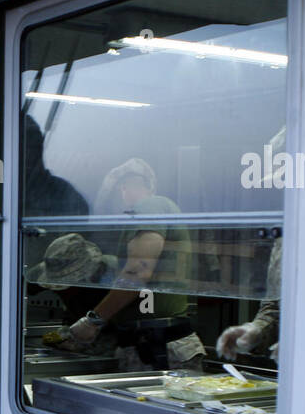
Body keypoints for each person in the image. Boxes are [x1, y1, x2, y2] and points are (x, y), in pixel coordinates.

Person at [63, 158, 206, 372]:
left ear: (127, 187)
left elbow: (137, 272)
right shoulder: (148, 215)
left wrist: (92, 321)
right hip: (150, 344)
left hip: (159, 348)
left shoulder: (150, 206)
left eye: (119, 188)